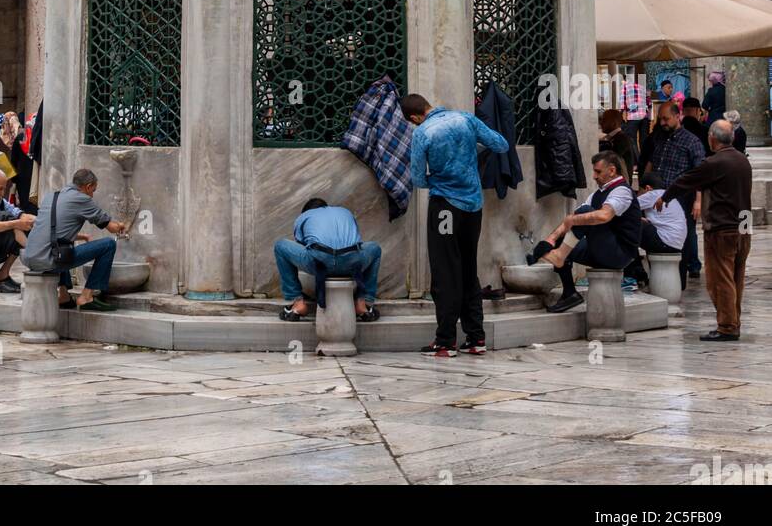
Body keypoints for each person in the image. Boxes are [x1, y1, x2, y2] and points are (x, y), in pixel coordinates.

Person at [402, 93, 509, 358]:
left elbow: (417, 178)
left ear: (415, 117)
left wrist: (439, 180)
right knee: (468, 268)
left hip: (445, 208)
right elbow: (501, 144)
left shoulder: (422, 132)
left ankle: (446, 341)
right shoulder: (466, 119)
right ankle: (476, 338)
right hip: (473, 206)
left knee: (445, 270)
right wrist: (470, 157)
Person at [658, 120, 753, 341]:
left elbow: (686, 180)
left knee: (720, 280)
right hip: (743, 227)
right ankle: (732, 322)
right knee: (736, 277)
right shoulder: (742, 160)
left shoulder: (714, 162)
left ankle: (727, 327)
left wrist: (664, 197)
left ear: (712, 138)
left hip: (723, 228)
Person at [529, 152, 641, 313]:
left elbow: (604, 216)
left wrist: (573, 220)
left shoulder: (622, 191)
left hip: (620, 252)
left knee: (587, 214)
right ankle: (570, 294)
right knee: (562, 238)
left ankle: (560, 255)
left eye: (598, 172)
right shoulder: (597, 194)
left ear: (612, 170)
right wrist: (550, 240)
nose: (594, 176)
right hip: (602, 249)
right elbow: (573, 218)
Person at [22, 168, 125, 312]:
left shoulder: (52, 196)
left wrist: (82, 236)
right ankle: (86, 297)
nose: (92, 194)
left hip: (30, 257)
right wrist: (121, 224)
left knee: (63, 246)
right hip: (48, 260)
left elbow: (52, 231)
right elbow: (111, 227)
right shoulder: (82, 199)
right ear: (88, 187)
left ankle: (63, 295)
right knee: (108, 244)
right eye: (93, 190)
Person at [274, 199, 382, 322]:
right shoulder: (345, 212)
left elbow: (302, 244)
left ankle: (296, 302)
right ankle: (364, 303)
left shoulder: (304, 216)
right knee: (375, 248)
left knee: (280, 246)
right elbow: (357, 240)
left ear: (307, 211)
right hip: (351, 262)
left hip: (320, 262)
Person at [641, 98, 704, 286]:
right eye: (660, 119)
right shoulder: (659, 137)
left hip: (682, 197)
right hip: (657, 196)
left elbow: (699, 173)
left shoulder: (692, 142)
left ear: (678, 116)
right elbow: (653, 161)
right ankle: (659, 279)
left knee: (683, 238)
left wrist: (698, 201)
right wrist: (645, 184)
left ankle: (679, 280)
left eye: (666, 119)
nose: (662, 123)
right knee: (657, 235)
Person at [628, 170, 685, 287]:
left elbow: (625, 207)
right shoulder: (668, 196)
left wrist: (638, 218)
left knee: (628, 224)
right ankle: (638, 272)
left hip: (665, 241)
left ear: (648, 188)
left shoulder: (652, 194)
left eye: (640, 190)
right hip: (676, 244)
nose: (640, 193)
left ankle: (634, 273)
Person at [619, 75, 650, 163]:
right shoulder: (642, 87)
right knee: (643, 140)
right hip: (644, 116)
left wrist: (621, 114)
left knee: (632, 140)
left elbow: (621, 103)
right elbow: (648, 102)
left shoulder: (624, 87)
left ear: (624, 81)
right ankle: (645, 160)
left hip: (633, 117)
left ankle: (637, 161)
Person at [599, 107, 635, 184]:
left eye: (604, 120)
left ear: (613, 122)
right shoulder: (611, 138)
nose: (601, 123)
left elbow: (612, 158)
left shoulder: (621, 139)